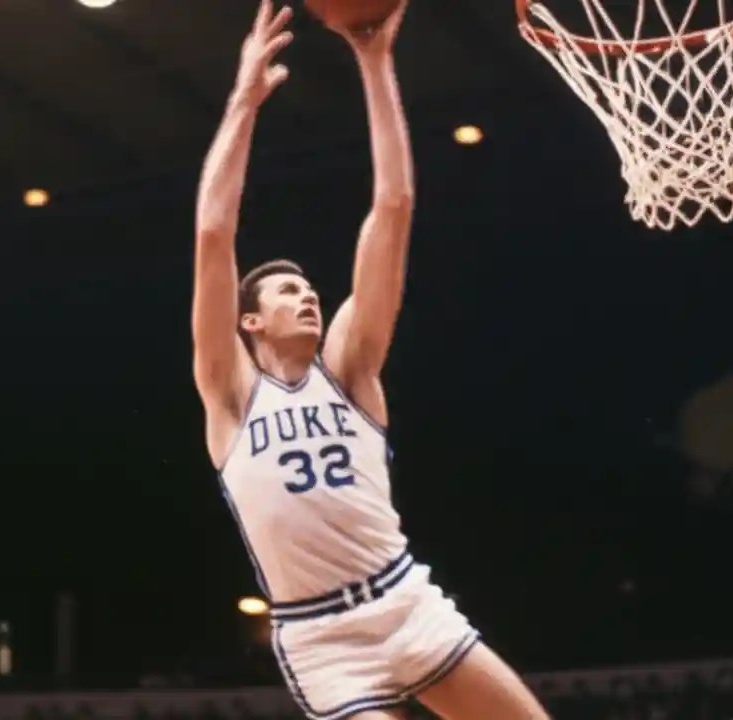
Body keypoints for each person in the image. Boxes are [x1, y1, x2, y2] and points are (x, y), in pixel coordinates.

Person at [190, 2, 552, 719]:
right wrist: (244, 101)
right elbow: (212, 233)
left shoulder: (351, 369)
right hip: (322, 636)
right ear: (250, 319)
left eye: (311, 287)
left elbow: (394, 206)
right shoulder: (230, 395)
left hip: (404, 600)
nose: (309, 295)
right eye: (289, 290)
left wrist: (375, 62)